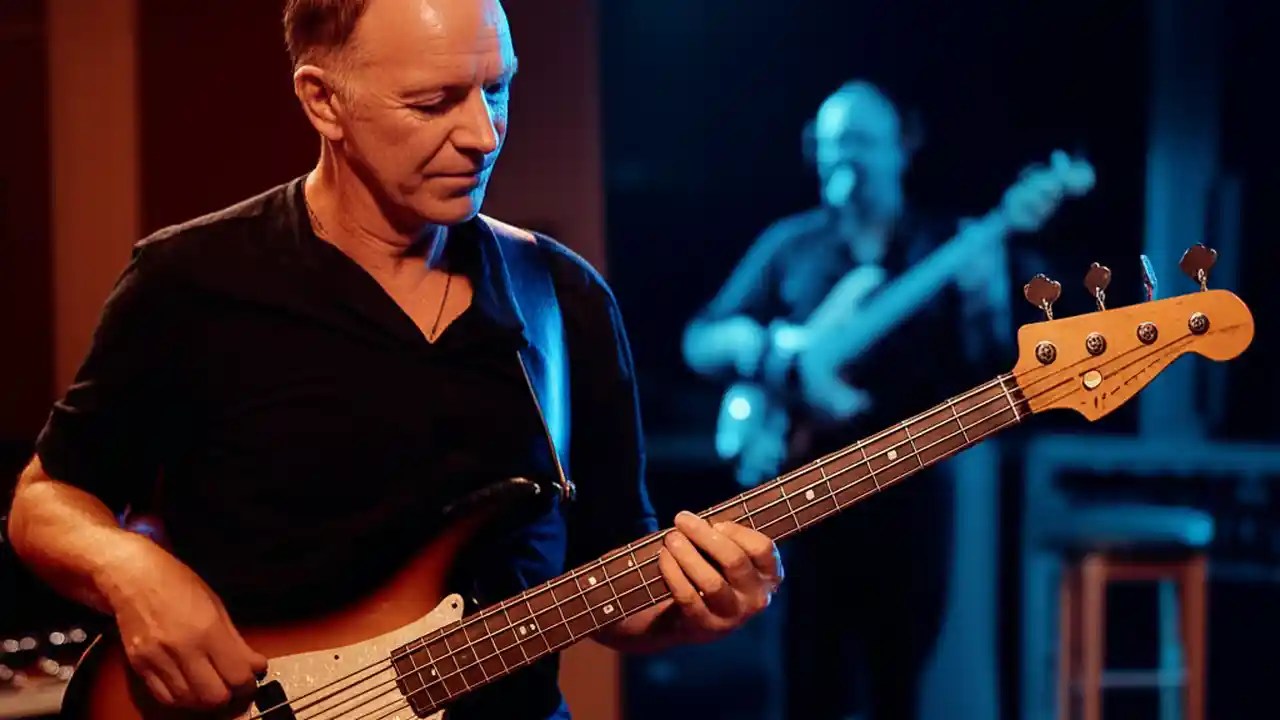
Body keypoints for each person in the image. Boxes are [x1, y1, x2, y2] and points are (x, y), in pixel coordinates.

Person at [3, 1, 782, 718]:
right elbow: (44, 502)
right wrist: (130, 570)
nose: (483, 135)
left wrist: (693, 610)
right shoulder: (191, 282)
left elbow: (612, 578)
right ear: (323, 101)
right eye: (434, 102)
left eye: (497, 89)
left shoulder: (563, 298)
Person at [683, 80, 1091, 719]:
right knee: (802, 688)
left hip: (908, 497)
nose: (843, 156)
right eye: (830, 142)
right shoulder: (790, 245)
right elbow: (701, 339)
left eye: (860, 141)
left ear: (902, 148)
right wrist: (766, 351)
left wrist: (985, 301)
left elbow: (987, 367)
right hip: (802, 501)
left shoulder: (943, 243)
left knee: (898, 686)